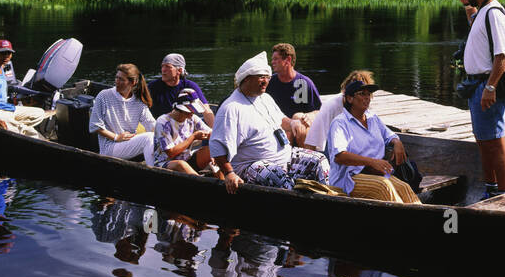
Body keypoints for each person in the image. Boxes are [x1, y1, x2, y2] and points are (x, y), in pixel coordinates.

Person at [209, 52, 329, 193]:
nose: (265, 81)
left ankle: (326, 201)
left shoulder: (265, 98)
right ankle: (296, 210)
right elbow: (217, 146)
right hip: (250, 166)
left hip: (285, 158)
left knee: (319, 160)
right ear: (246, 79)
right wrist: (229, 173)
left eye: (267, 77)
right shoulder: (231, 108)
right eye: (261, 77)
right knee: (277, 176)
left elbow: (280, 119)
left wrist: (292, 123)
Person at [456, 0, 505, 203]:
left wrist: (490, 88)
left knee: (495, 142)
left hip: (487, 86)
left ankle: (503, 193)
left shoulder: (494, 14)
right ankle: (491, 189)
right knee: (484, 141)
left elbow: (503, 56)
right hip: (477, 86)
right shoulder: (483, 12)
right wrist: (465, 5)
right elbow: (475, 25)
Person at [325, 78, 419, 203]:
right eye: (362, 94)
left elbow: (389, 136)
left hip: (375, 174)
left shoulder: (373, 118)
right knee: (383, 186)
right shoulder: (340, 123)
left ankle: (420, 216)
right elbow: (340, 156)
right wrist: (372, 162)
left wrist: (397, 142)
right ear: (349, 99)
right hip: (348, 179)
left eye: (368, 94)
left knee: (404, 187)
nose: (367, 97)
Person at [0, 39, 47, 132]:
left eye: (9, 53)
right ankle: (19, 129)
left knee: (39, 113)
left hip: (5, 108)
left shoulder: (2, 67)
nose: (6, 56)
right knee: (27, 131)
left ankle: (16, 126)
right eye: (2, 53)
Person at [90, 63, 156, 159]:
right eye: (116, 78)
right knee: (149, 138)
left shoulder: (138, 102)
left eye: (121, 79)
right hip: (109, 148)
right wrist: (116, 137)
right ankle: (155, 170)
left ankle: (161, 166)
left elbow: (152, 125)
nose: (116, 81)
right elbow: (94, 125)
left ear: (132, 82)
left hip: (128, 144)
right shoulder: (104, 95)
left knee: (156, 137)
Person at [303, 68, 370, 153]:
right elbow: (311, 143)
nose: (366, 99)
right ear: (347, 94)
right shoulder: (330, 106)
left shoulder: (364, 106)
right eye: (361, 94)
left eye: (367, 94)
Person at [151, 90, 213, 175]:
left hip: (187, 158)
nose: (192, 113)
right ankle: (202, 182)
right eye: (189, 111)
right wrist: (193, 137)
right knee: (181, 164)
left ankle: (222, 181)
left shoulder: (192, 118)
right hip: (166, 163)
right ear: (179, 109)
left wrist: (215, 153)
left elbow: (212, 133)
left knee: (211, 151)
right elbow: (171, 153)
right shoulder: (163, 122)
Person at [147, 54, 214, 124]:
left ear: (179, 70)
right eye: (162, 66)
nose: (163, 70)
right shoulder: (152, 87)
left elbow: (206, 110)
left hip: (183, 125)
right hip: (159, 126)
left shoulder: (190, 86)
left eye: (168, 67)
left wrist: (214, 130)